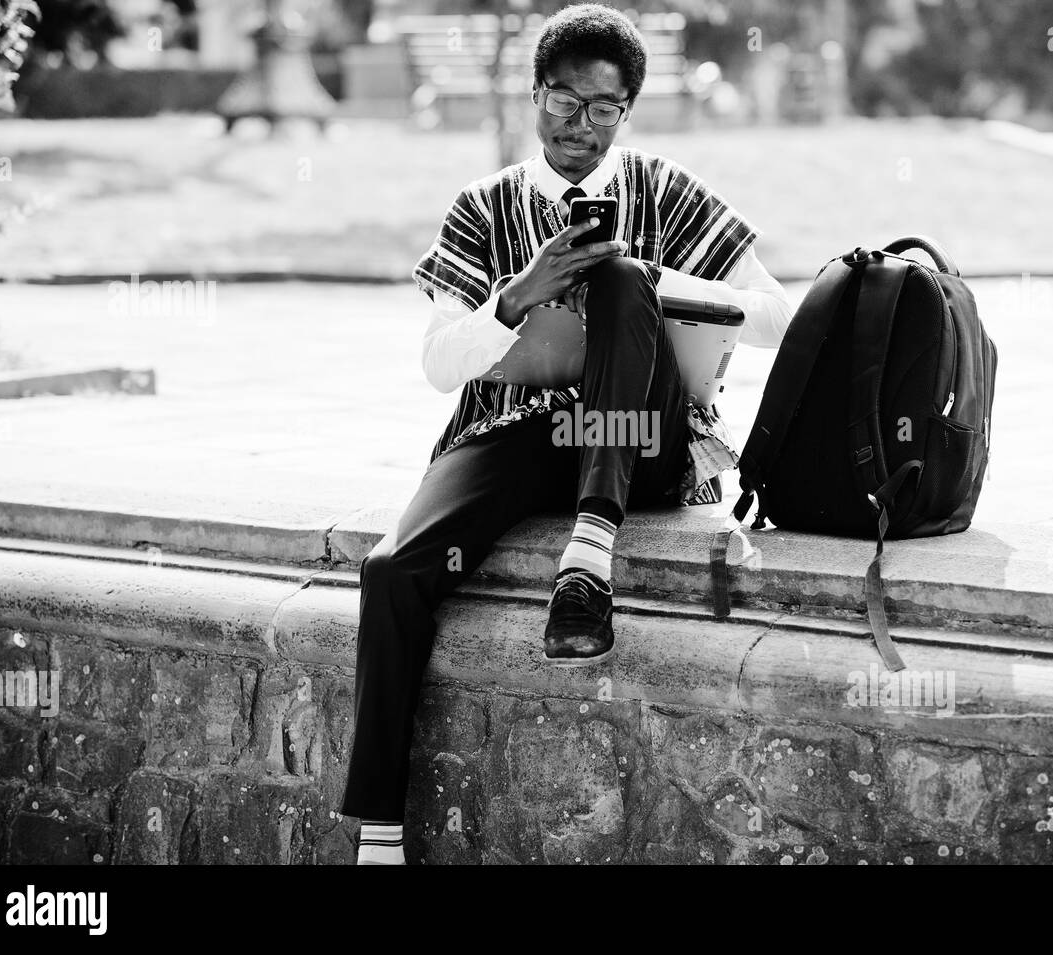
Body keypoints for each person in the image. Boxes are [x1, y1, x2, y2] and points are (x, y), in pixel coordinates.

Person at [340, 2, 794, 865]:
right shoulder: (484, 207)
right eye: (563, 103)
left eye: (603, 108)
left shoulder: (663, 187)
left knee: (622, 275)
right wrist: (517, 296)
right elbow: (440, 362)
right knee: (392, 570)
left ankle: (588, 558)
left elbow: (777, 311)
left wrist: (661, 282)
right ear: (534, 93)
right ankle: (379, 837)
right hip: (518, 431)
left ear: (628, 108)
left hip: (642, 440)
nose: (581, 126)